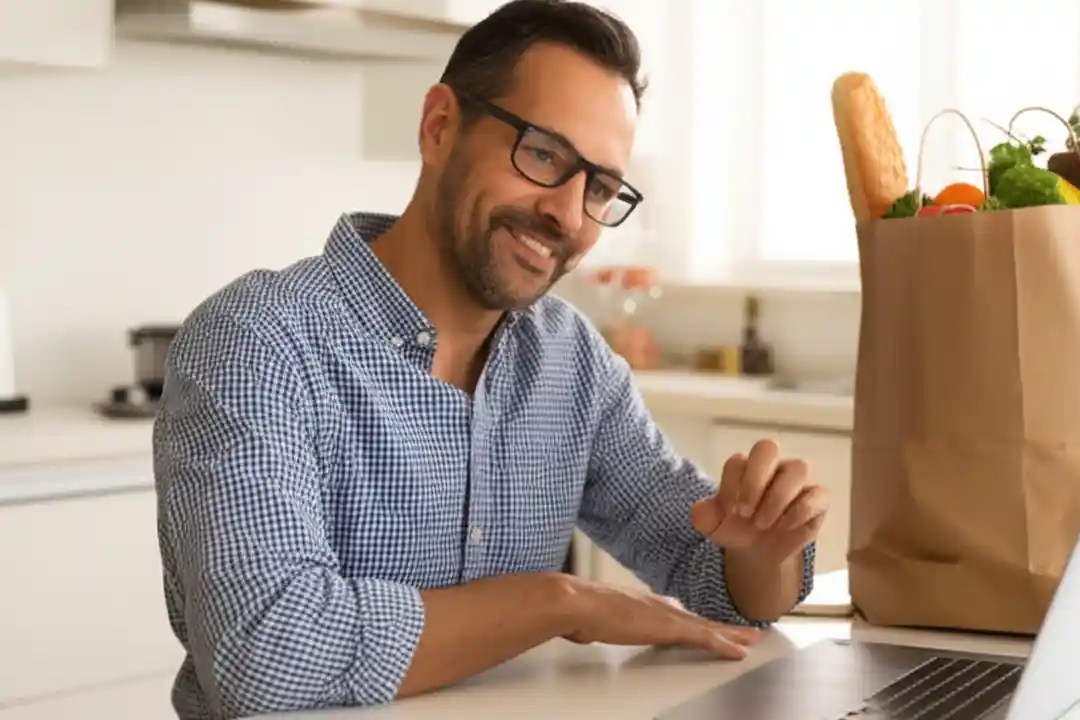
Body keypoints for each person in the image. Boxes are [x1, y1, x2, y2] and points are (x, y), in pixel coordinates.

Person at [153, 1, 827, 718]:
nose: (567, 215)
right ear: (439, 126)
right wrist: (553, 602)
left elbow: (717, 577)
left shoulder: (571, 361)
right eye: (542, 154)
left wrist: (764, 549)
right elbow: (266, 653)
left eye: (599, 188)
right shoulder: (258, 340)